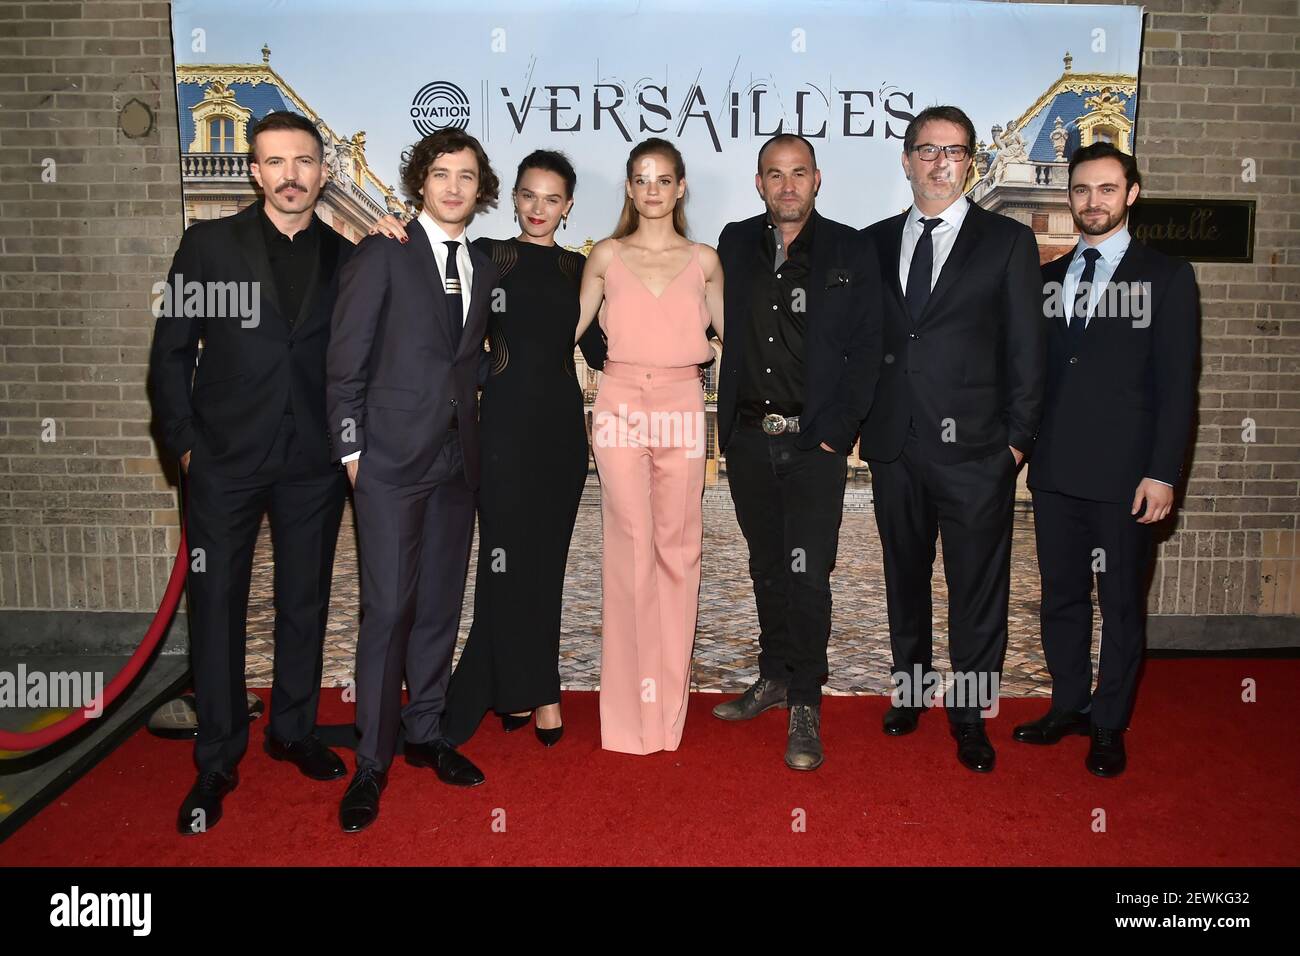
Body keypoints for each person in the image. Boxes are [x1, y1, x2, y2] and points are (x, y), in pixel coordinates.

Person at [148, 110, 351, 835]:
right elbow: (170, 353)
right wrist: (188, 447)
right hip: (225, 460)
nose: (291, 174)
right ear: (254, 171)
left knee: (304, 601)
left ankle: (292, 730)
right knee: (218, 605)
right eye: (275, 162)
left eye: (304, 161)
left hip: (312, 465)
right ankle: (218, 753)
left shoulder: (344, 256)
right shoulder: (208, 246)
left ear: (322, 172)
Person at [369, 150, 608, 746]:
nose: (538, 208)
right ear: (513, 196)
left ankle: (541, 690)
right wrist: (387, 226)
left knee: (546, 568)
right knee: (503, 568)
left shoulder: (581, 269)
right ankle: (506, 688)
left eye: (552, 199)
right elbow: (431, 290)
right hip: (498, 429)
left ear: (568, 205)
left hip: (558, 433)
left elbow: (606, 349)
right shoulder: (485, 256)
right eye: (528, 195)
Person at [859, 105, 1045, 773]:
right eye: (928, 149)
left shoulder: (1006, 243)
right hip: (896, 449)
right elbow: (861, 345)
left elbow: (1029, 349)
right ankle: (910, 694)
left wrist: (1015, 446)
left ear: (971, 163)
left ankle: (969, 717)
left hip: (977, 456)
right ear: (907, 159)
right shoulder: (872, 243)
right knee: (904, 580)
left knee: (976, 592)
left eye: (955, 151)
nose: (941, 162)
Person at [326, 129, 500, 832]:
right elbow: (345, 361)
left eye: (466, 176)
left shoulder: (485, 266)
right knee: (389, 608)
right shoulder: (383, 252)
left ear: (480, 189)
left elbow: (470, 359)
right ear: (420, 183)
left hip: (458, 462)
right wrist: (352, 453)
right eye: (441, 173)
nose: (454, 186)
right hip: (390, 463)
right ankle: (372, 759)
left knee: (437, 606)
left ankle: (425, 731)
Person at [1016, 142, 1199, 777]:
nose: (1092, 202)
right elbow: (1035, 378)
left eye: (1105, 189)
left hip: (1128, 479)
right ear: (1069, 197)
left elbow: (1179, 388)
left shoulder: (1166, 278)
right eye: (1081, 190)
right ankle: (1068, 704)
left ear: (1131, 194)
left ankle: (1109, 723)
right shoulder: (1048, 280)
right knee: (1060, 598)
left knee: (1119, 603)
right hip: (1058, 474)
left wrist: (1163, 473)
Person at [709, 133, 883, 771]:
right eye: (774, 174)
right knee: (765, 568)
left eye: (798, 173)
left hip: (816, 445)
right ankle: (775, 674)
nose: (787, 185)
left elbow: (869, 346)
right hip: (751, 439)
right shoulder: (733, 243)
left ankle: (807, 698)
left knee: (808, 574)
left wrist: (839, 431)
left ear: (817, 179)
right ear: (759, 183)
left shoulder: (851, 248)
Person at [572, 137, 724, 755]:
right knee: (628, 550)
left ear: (681, 187)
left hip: (684, 402)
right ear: (629, 187)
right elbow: (567, 330)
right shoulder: (605, 255)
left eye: (664, 179)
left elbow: (741, 341)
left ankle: (668, 713)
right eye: (641, 179)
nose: (653, 189)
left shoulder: (706, 260)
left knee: (679, 552)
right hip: (620, 402)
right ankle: (628, 718)